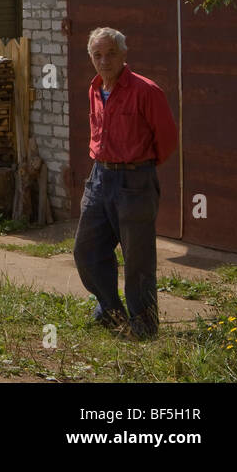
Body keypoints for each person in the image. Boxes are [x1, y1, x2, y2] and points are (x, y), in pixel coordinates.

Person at [72, 27, 178, 339]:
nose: (103, 61)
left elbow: (168, 139)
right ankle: (111, 311)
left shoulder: (146, 90)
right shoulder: (94, 88)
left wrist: (139, 166)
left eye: (110, 54)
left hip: (135, 180)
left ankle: (144, 326)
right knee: (86, 251)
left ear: (124, 55)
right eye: (97, 55)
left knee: (138, 260)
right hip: (99, 177)